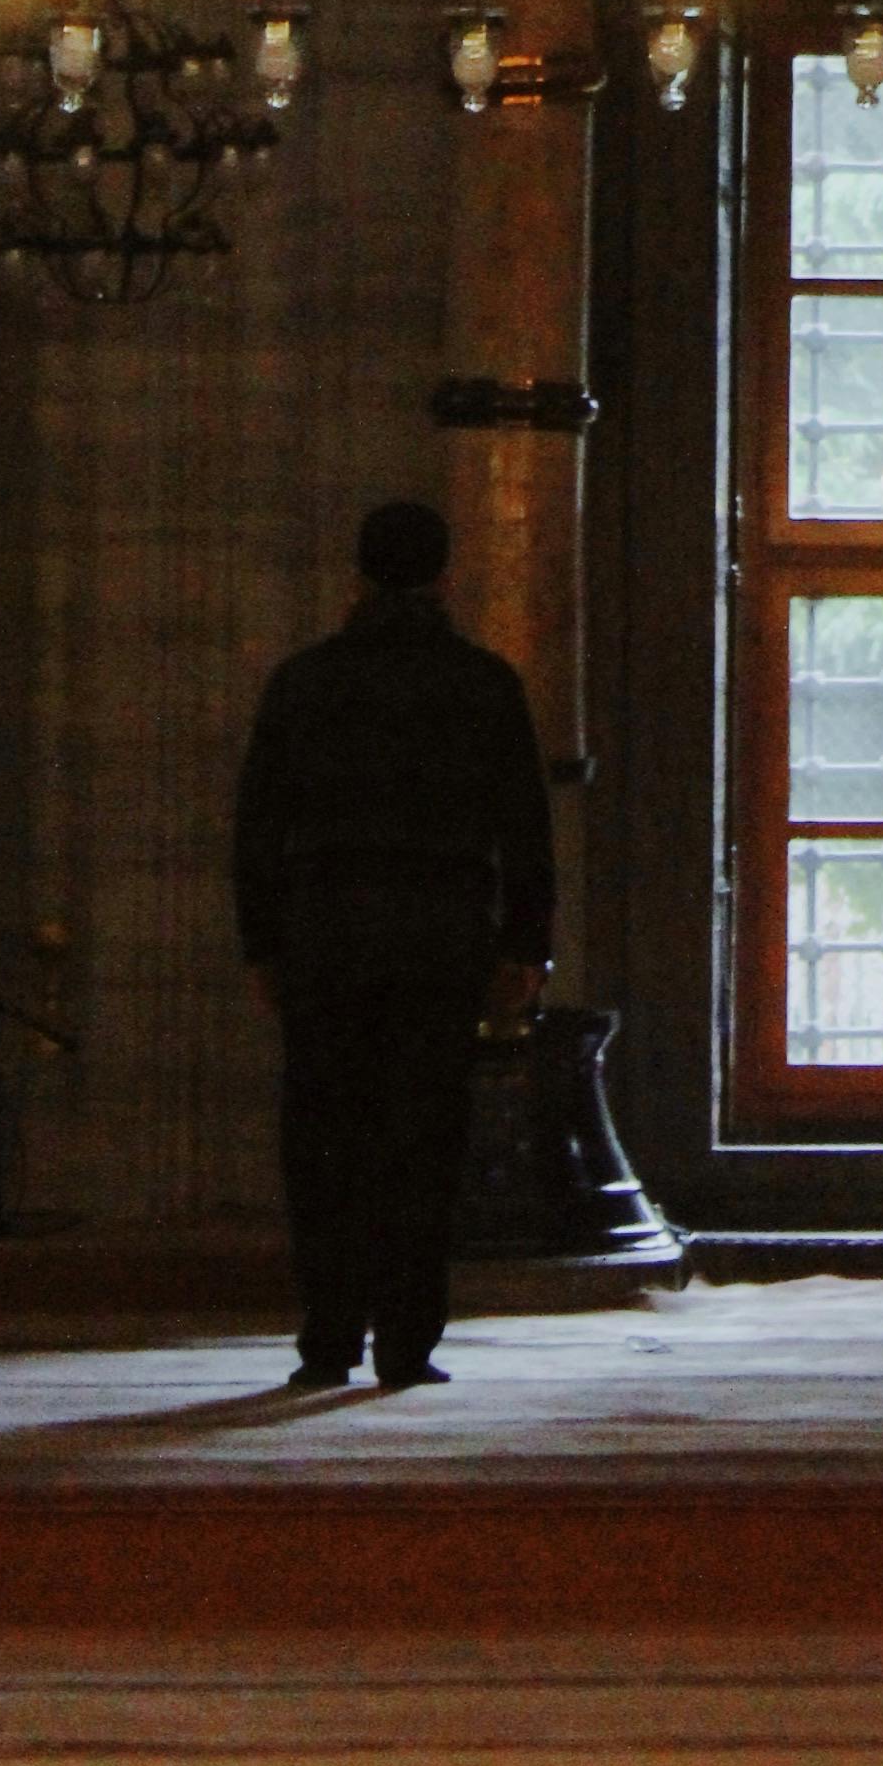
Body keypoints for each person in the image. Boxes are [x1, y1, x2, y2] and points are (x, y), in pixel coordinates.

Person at [233, 498, 555, 1397]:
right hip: (439, 930)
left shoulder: (305, 682)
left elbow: (258, 824)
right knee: (422, 1139)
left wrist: (261, 943)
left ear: (359, 574)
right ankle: (407, 1344)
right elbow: (524, 828)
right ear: (446, 575)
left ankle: (329, 1337)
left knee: (326, 1138)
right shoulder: (483, 683)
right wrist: (527, 945)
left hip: (326, 929)